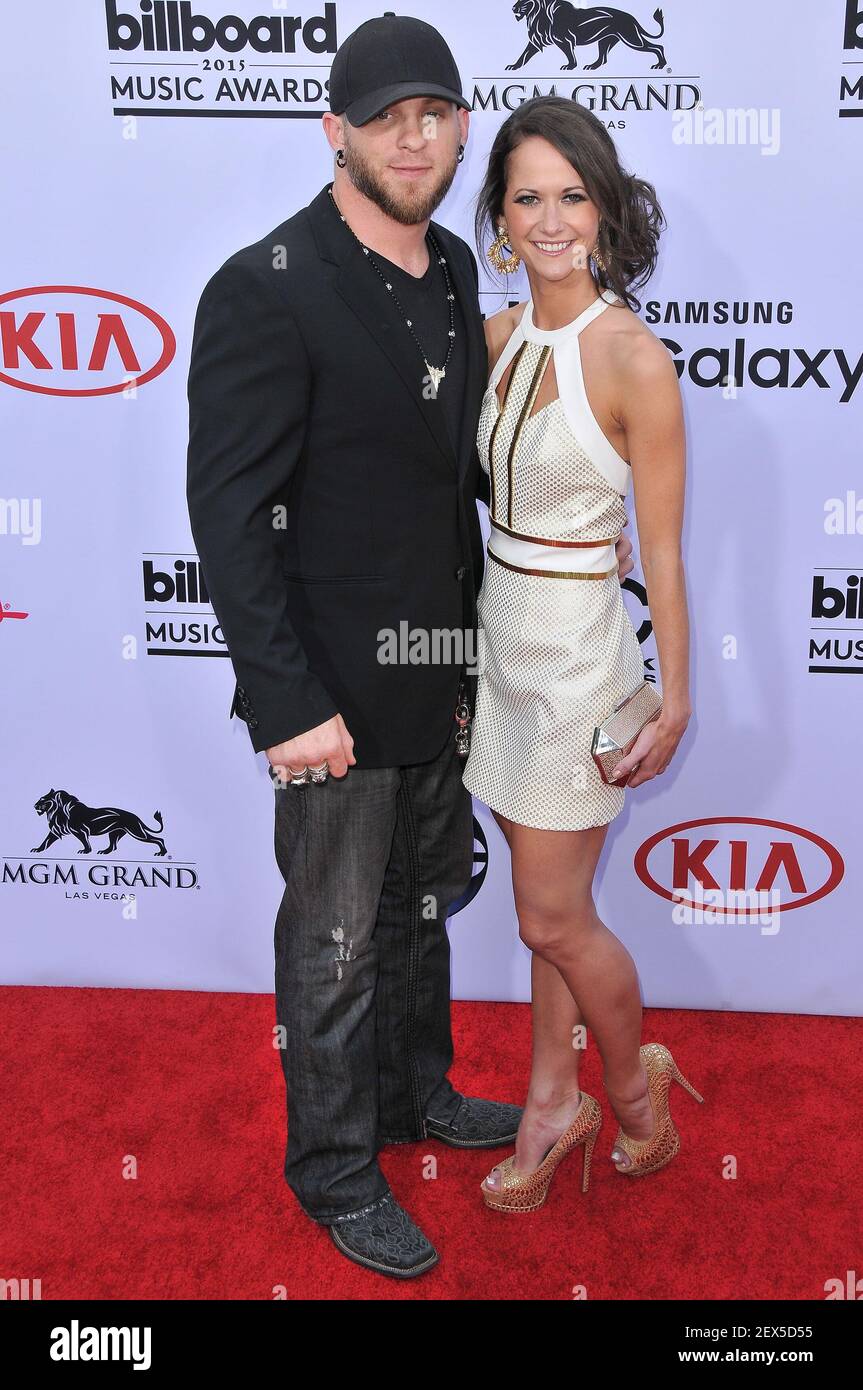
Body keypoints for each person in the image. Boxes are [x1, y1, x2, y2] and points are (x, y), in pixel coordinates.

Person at [186, 19, 633, 1277]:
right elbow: (226, 515)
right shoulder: (263, 283)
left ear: (455, 128)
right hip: (324, 693)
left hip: (439, 674)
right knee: (329, 947)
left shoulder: (449, 265)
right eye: (385, 116)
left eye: (433, 113)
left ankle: (413, 1098)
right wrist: (282, 701)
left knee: (417, 917)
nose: (413, 136)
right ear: (334, 129)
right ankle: (333, 1169)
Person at [462, 96, 703, 1214]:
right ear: (499, 218)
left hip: (573, 673)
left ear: (603, 210)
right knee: (540, 904)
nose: (550, 219)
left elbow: (660, 548)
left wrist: (677, 699)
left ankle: (635, 1098)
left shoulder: (630, 358)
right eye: (527, 198)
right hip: (498, 659)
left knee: (550, 917)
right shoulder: (500, 338)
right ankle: (550, 1100)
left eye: (572, 195)